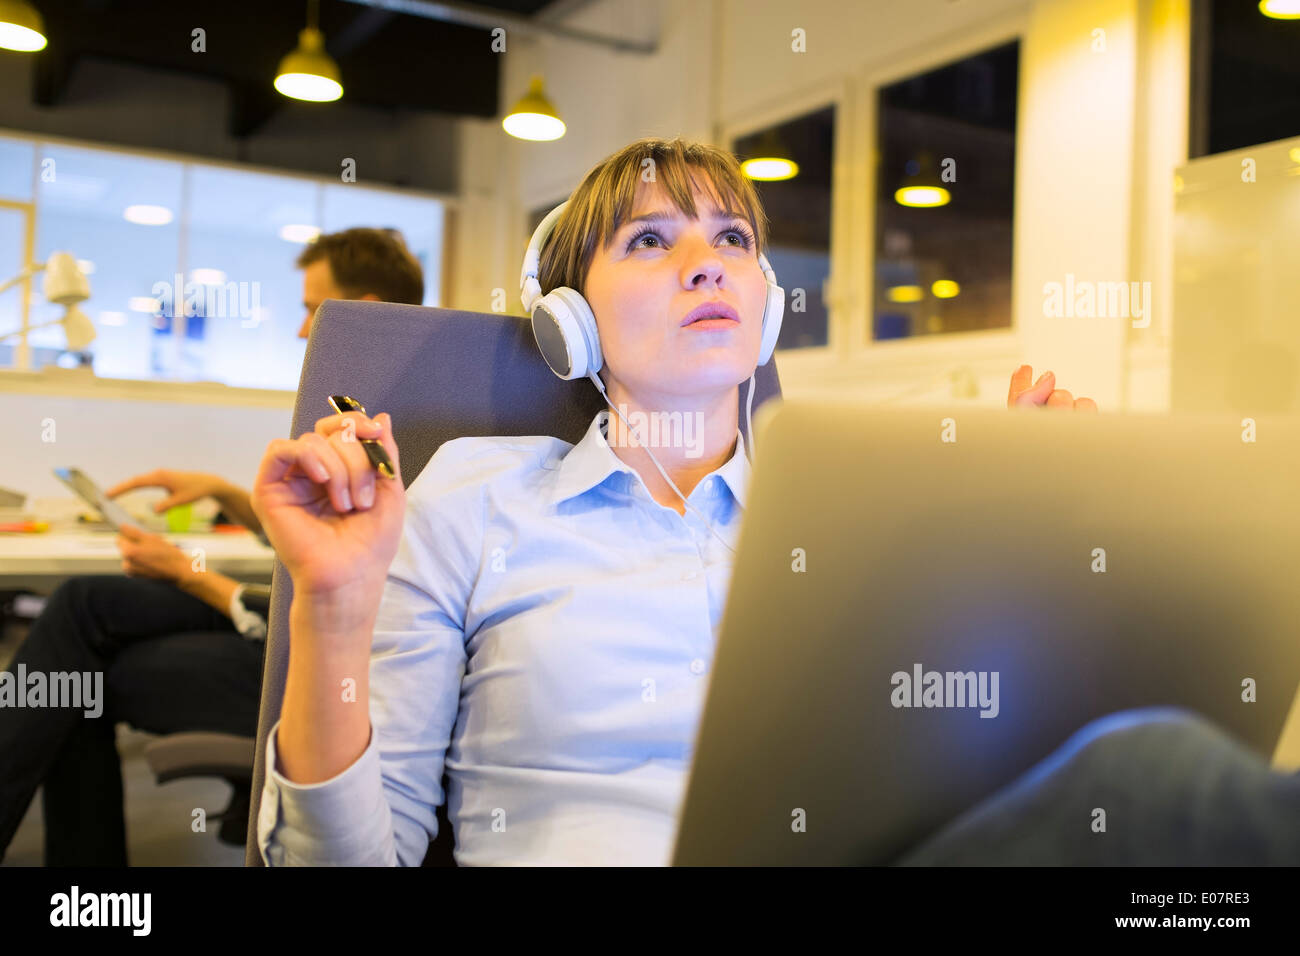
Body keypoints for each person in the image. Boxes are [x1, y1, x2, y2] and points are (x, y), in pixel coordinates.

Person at [251, 137, 1203, 868]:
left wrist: (1047, 551)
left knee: (1172, 780)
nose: (704, 264)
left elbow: (980, 792)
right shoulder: (472, 499)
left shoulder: (854, 523)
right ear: (569, 325)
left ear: (766, 306)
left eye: (732, 240)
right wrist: (334, 610)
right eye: (651, 239)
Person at [0, 227, 424, 866]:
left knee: (74, 671)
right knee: (84, 610)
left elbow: (360, 597)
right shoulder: (361, 406)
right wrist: (225, 494)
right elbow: (322, 542)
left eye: (312, 309)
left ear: (359, 308)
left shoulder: (396, 434)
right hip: (278, 613)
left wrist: (195, 578)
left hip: (318, 659)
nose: (301, 329)